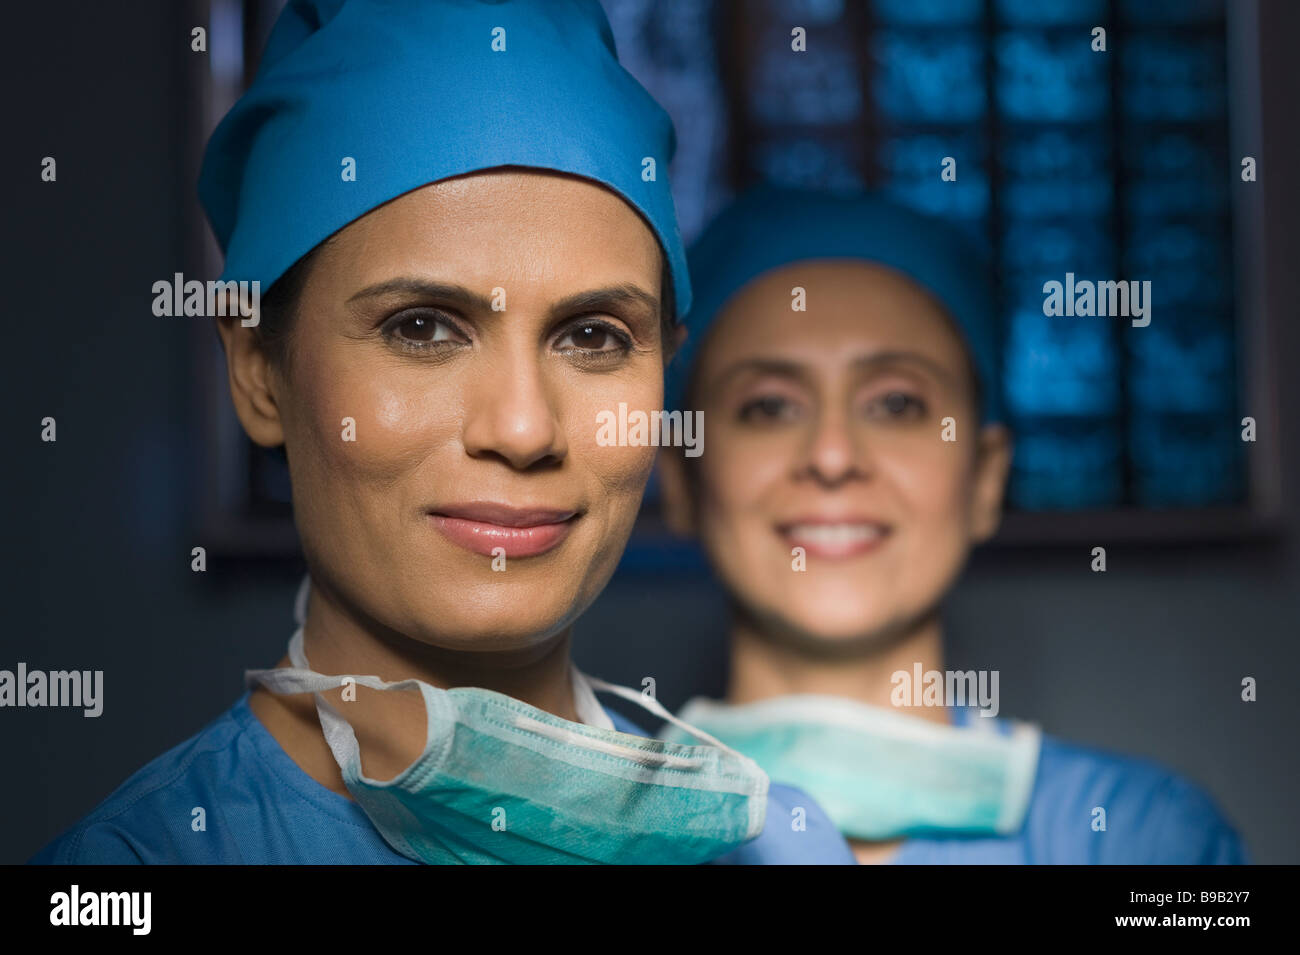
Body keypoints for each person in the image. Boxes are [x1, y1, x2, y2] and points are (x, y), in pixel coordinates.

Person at [30, 1, 852, 865]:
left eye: (593, 336)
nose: (525, 427)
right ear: (258, 371)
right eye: (421, 328)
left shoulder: (780, 847)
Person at [656, 185, 1248, 864]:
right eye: (768, 407)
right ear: (681, 478)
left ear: (986, 477)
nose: (832, 456)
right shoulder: (576, 839)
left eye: (898, 403)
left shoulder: (1140, 838)